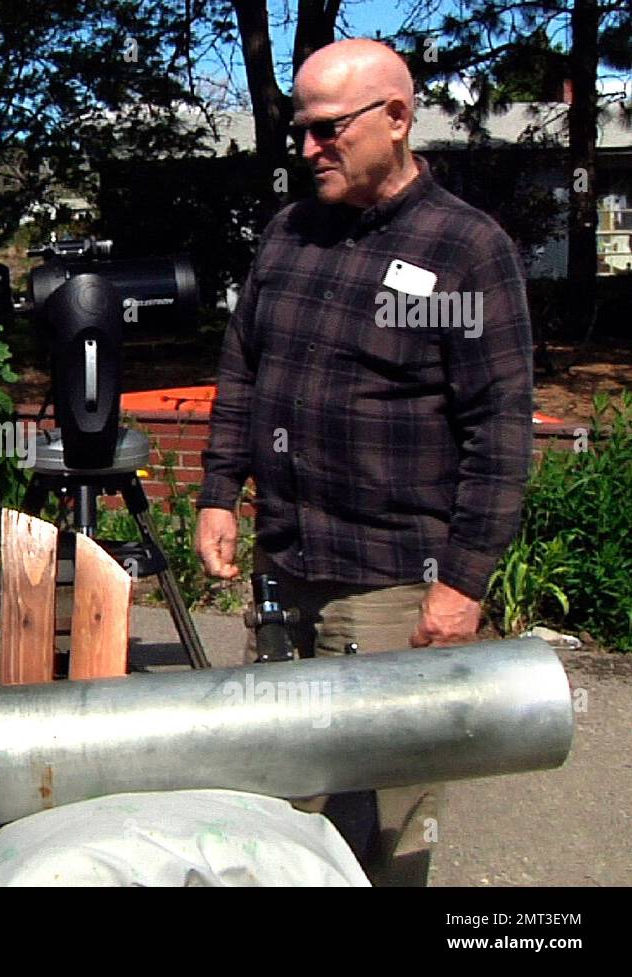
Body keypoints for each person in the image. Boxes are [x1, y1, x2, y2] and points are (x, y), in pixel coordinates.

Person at [196, 39, 533, 885]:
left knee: (383, 822)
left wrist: (461, 588)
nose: (307, 149)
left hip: (392, 587)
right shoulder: (289, 231)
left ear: (395, 116)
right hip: (285, 572)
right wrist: (216, 493)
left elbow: (499, 435)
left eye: (326, 129)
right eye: (300, 130)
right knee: (269, 798)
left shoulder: (466, 248)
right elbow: (243, 367)